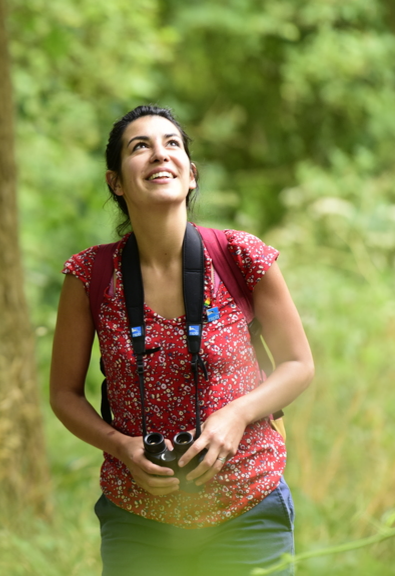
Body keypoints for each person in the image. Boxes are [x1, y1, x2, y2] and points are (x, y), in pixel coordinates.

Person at [49, 105, 314, 576]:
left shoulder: (240, 255)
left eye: (172, 144)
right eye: (140, 147)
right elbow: (64, 395)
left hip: (248, 508)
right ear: (116, 181)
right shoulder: (90, 274)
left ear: (191, 175)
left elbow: (297, 364)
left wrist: (237, 415)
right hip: (139, 521)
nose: (159, 155)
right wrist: (122, 447)